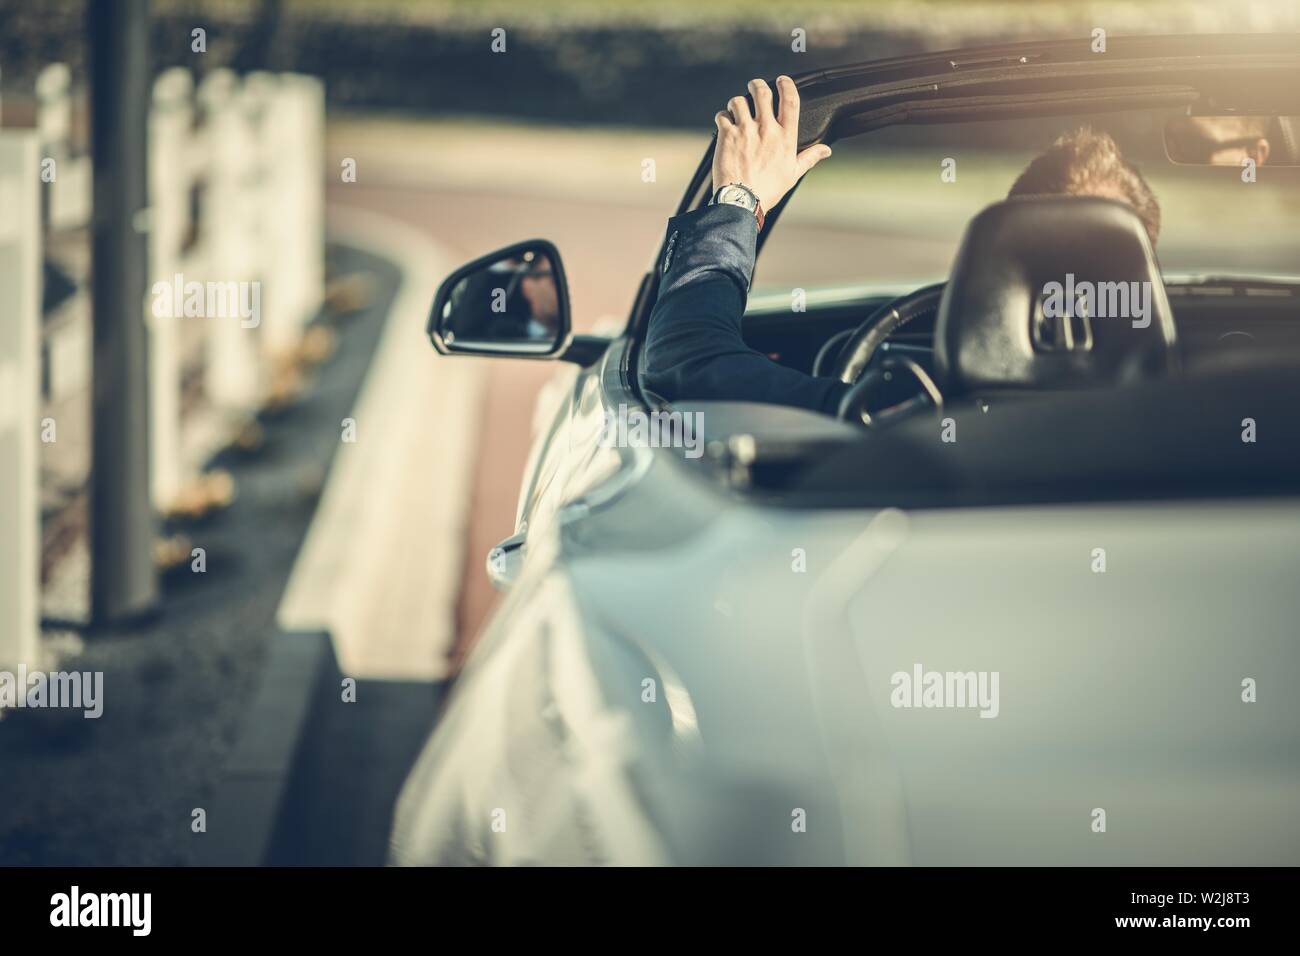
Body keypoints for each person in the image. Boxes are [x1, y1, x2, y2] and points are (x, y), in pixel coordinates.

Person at [641, 84, 1162, 415]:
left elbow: (685, 361)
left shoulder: (911, 410)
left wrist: (739, 202)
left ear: (1001, 269)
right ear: (1144, 276)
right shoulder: (1219, 412)